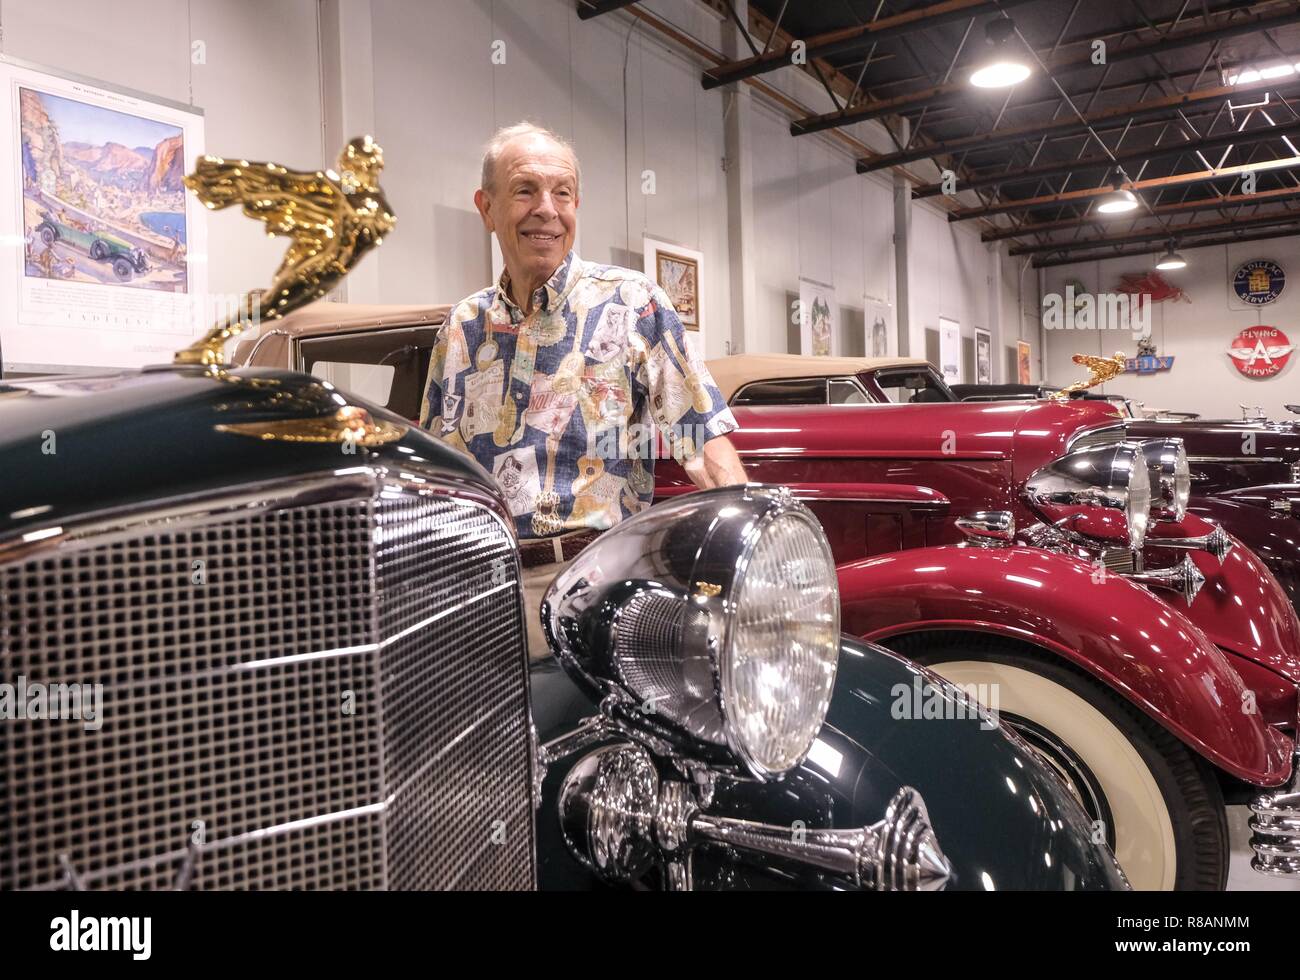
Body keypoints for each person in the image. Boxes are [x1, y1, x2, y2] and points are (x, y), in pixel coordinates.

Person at [419, 121, 747, 658]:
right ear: (487, 208)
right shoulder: (462, 327)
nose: (546, 209)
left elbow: (704, 444)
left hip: (598, 585)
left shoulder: (633, 303)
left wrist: (743, 568)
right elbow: (439, 479)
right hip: (480, 595)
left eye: (562, 193)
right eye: (525, 190)